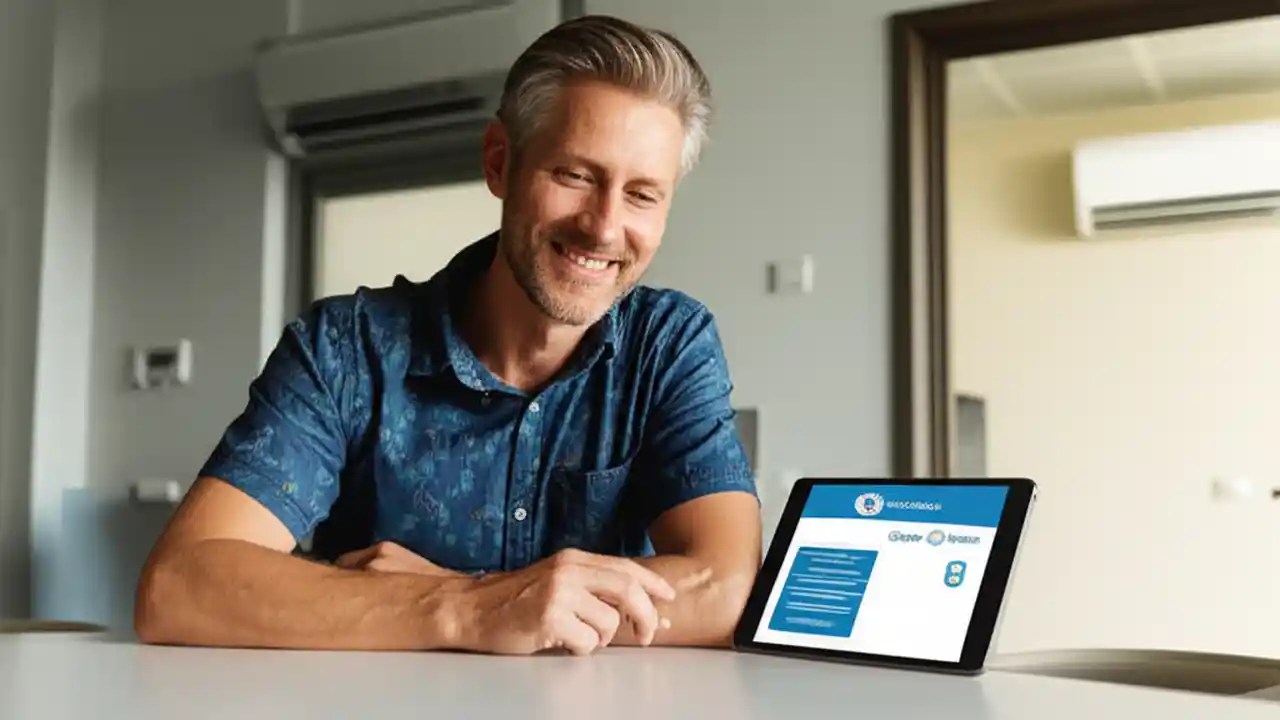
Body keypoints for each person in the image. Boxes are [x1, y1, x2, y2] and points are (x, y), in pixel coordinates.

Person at [134, 15, 761, 656]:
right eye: (575, 175)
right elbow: (180, 586)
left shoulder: (669, 345)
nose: (604, 227)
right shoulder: (344, 350)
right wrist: (466, 610)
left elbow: (729, 588)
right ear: (499, 163)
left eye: (642, 194)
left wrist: (483, 594)